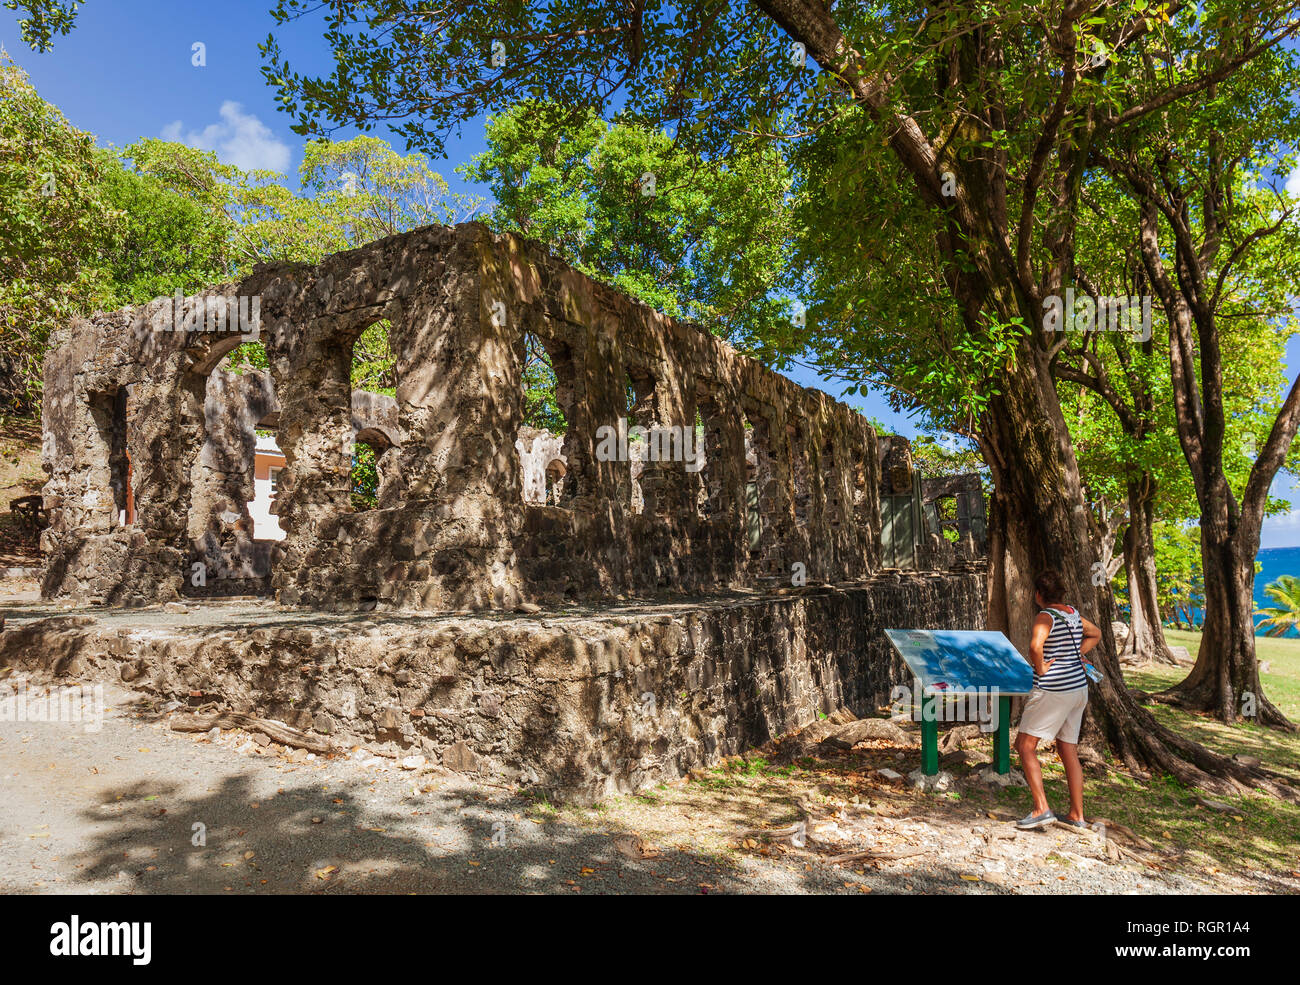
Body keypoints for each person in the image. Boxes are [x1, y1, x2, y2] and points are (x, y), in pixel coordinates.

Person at [1014, 568, 1101, 830]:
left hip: (1054, 690)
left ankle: (1041, 808)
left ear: (1038, 594)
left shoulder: (1045, 616)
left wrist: (1040, 667)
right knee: (1067, 749)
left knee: (1025, 745)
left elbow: (1034, 646)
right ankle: (1077, 815)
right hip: (1077, 689)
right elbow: (1095, 633)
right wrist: (1075, 655)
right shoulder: (1073, 614)